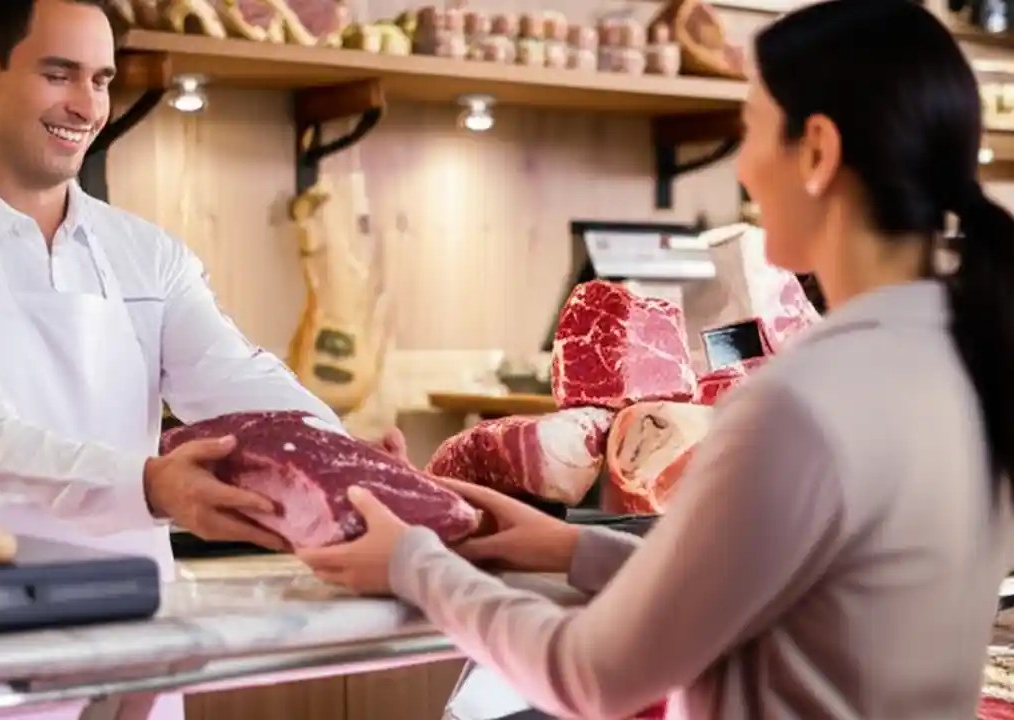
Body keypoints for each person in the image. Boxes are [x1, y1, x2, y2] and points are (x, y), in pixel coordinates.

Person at [299, 2, 1014, 718]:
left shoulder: (800, 401)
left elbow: (591, 673)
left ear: (818, 152)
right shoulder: (974, 366)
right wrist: (572, 549)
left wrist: (413, 567)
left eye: (752, 131)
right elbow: (807, 602)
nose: (744, 168)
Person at [0, 0, 401, 717]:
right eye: (59, 74)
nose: (87, 106)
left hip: (135, 648)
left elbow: (238, 380)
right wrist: (151, 485)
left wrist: (342, 454)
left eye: (101, 80)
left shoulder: (149, 255)